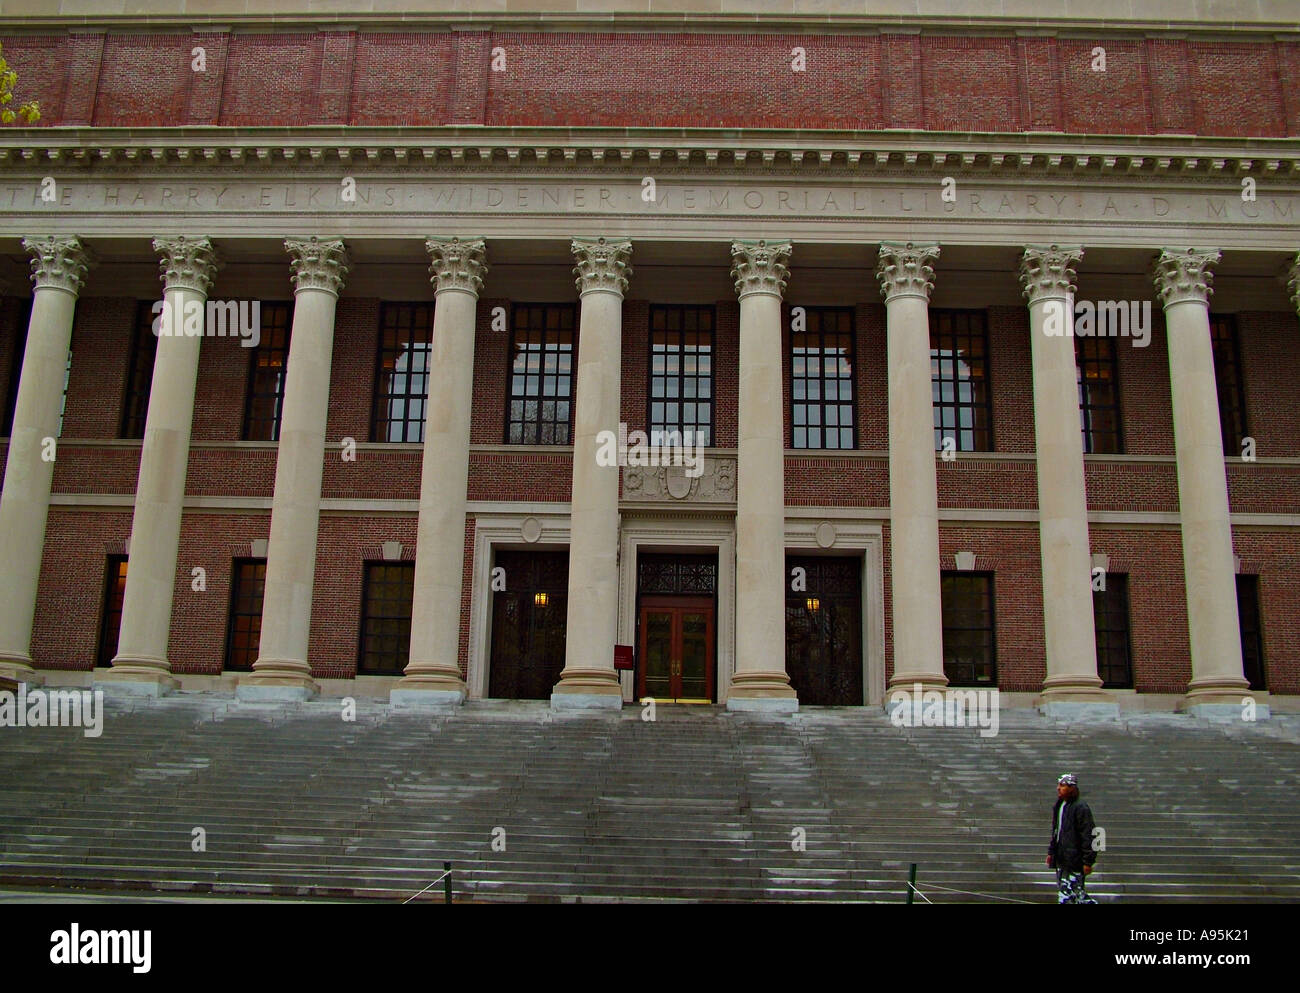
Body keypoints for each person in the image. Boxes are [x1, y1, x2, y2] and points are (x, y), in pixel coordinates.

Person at [1046, 773, 1099, 904]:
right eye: (1058, 785)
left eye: (1062, 785)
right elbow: (1056, 832)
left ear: (1071, 788)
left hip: (1075, 859)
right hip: (1061, 858)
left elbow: (1089, 834)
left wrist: (1088, 861)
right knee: (1065, 892)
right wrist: (1051, 852)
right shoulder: (1059, 805)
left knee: (1077, 892)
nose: (1058, 788)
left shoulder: (1080, 807)